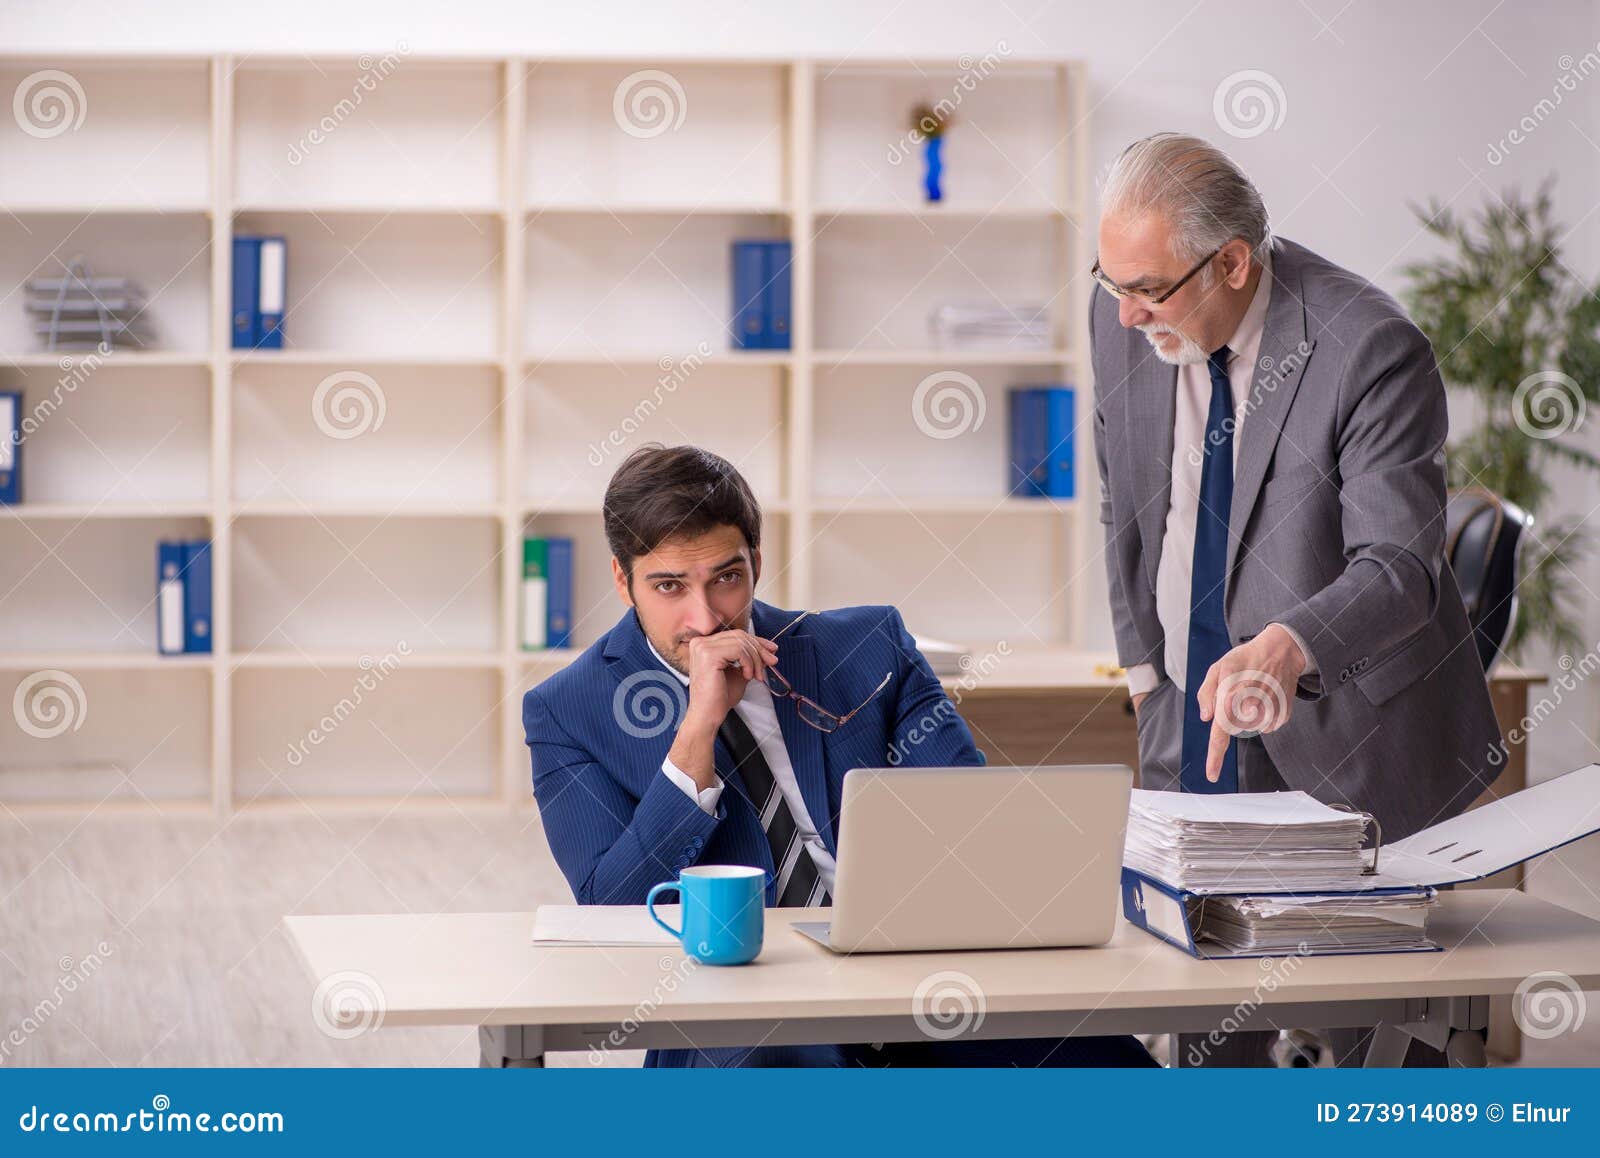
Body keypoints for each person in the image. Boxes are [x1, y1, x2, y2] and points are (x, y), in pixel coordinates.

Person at [524, 443, 1156, 1069]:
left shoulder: (869, 648)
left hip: (915, 981)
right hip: (740, 1018)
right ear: (621, 580)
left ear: (757, 561)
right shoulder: (566, 709)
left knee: (1109, 1065)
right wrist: (697, 732)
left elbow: (971, 829)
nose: (706, 616)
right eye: (669, 586)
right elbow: (613, 907)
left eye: (726, 577)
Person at [1090, 132, 1501, 1067]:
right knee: (1206, 1030)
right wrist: (1149, 674)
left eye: (1149, 289)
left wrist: (1286, 646)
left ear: (1232, 263)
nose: (1124, 314)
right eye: (1113, 282)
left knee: (1361, 1051)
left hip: (1351, 735)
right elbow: (1122, 496)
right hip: (1192, 715)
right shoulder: (1122, 308)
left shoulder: (1369, 348)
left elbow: (1400, 564)